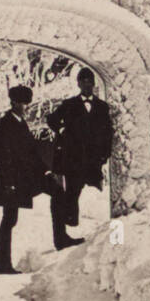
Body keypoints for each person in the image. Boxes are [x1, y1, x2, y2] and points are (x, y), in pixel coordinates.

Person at [46, 69, 114, 250]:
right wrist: (61, 130)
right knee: (73, 193)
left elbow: (108, 133)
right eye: (83, 81)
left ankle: (100, 234)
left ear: (94, 84)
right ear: (78, 83)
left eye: (89, 81)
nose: (87, 84)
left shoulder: (102, 107)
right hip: (74, 160)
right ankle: (71, 228)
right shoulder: (69, 105)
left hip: (94, 161)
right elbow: (51, 119)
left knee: (97, 194)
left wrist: (104, 155)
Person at [0, 85, 47, 275]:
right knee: (8, 220)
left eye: (28, 103)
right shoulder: (5, 123)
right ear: (14, 103)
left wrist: (44, 171)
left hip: (18, 180)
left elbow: (30, 152)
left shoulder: (20, 123)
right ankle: (3, 265)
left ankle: (4, 264)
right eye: (24, 103)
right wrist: (8, 182)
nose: (27, 107)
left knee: (10, 219)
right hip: (10, 181)